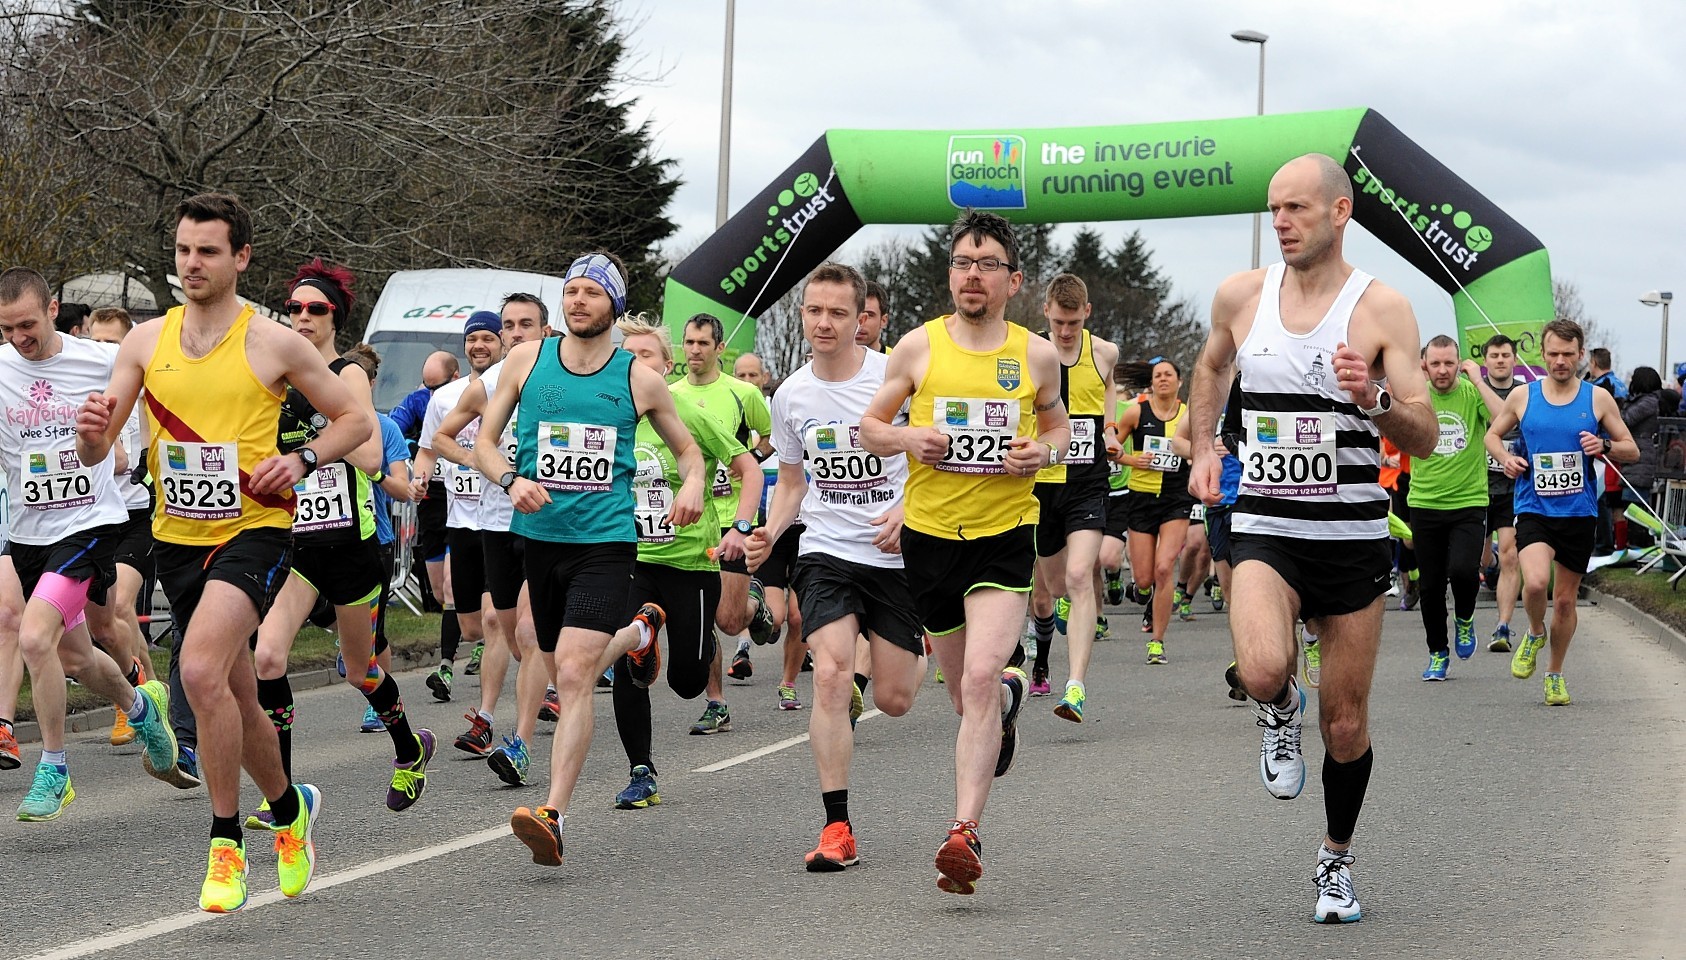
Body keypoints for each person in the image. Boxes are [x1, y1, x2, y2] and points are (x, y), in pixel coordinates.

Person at [76, 192, 363, 912]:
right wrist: (88, 433)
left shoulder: (274, 341)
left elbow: (356, 419)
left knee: (199, 670)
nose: (192, 263)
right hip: (177, 537)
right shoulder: (146, 341)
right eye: (182, 250)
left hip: (256, 531)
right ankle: (292, 814)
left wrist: (301, 462)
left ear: (240, 257)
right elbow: (101, 450)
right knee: (232, 690)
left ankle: (226, 841)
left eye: (207, 251)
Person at [1187, 155, 1436, 924]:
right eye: (1274, 209)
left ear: (1340, 211)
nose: (1282, 222)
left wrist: (1375, 397)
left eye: (1296, 207)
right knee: (1261, 669)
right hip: (1266, 525)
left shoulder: (1383, 309)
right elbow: (1209, 367)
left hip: (1353, 539)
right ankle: (1275, 703)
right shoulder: (1242, 295)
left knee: (1347, 724)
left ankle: (1334, 863)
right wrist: (1203, 446)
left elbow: (1424, 435)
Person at [859, 208, 1068, 895]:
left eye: (986, 266)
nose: (972, 276)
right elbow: (869, 427)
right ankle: (1005, 700)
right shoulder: (917, 348)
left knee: (978, 679)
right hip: (928, 541)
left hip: (1003, 538)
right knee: (962, 696)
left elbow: (1058, 426)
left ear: (1013, 280)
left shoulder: (1036, 354)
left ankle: (963, 832)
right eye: (961, 264)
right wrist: (906, 440)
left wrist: (1044, 451)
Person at [474, 252, 702, 867]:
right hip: (540, 540)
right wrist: (507, 480)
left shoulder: (638, 377)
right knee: (549, 661)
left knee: (573, 674)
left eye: (591, 294)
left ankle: (552, 813)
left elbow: (689, 453)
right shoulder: (525, 360)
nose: (578, 301)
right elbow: (484, 444)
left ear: (614, 307)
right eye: (571, 292)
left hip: (605, 544)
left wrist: (691, 486)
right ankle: (640, 631)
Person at [748, 261, 924, 871]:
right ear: (802, 315)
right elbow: (792, 482)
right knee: (830, 675)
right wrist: (770, 531)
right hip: (826, 550)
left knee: (898, 698)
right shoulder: (791, 394)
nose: (824, 323)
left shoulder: (894, 377)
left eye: (838, 313)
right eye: (814, 311)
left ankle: (915, 643)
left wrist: (907, 507)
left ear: (860, 320)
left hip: (895, 554)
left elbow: (934, 453)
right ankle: (836, 828)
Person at [250, 259, 432, 821]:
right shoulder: (278, 382)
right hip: (300, 545)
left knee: (360, 670)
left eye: (316, 309)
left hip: (354, 543)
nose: (302, 318)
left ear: (336, 318)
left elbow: (373, 456)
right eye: (295, 308)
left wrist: (321, 437)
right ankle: (281, 795)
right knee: (268, 657)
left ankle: (410, 748)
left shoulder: (346, 375)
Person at [0, 267, 179, 822]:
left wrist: (145, 455)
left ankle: (54, 769)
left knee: (34, 638)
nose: (19, 339)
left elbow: (166, 390)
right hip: (27, 532)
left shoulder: (100, 360)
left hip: (89, 525)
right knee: (75, 657)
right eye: (7, 329)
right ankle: (139, 705)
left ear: (53, 309)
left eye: (27, 325)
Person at [610, 316, 759, 807]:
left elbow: (749, 471)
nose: (635, 365)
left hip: (689, 564)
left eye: (646, 356)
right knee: (628, 663)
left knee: (688, 681)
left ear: (666, 366)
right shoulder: (609, 419)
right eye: (627, 356)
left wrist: (740, 527)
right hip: (629, 560)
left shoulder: (686, 416)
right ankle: (641, 770)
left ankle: (653, 635)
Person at [430, 295, 554, 785]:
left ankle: (507, 734)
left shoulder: (560, 379)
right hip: (495, 522)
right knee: (498, 629)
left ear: (546, 330)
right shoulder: (487, 386)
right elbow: (443, 438)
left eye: (527, 324)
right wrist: (481, 462)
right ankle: (557, 676)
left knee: (523, 630)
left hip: (547, 524)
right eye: (509, 325)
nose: (516, 332)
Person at [1486, 319, 1637, 705]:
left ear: (1581, 355)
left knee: (1566, 601)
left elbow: (1630, 449)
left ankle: (1554, 672)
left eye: (1568, 354)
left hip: (1579, 511)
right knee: (1536, 583)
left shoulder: (1597, 399)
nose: (1560, 361)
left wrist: (1603, 445)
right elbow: (1492, 435)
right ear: (1542, 354)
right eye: (1553, 353)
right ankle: (1535, 630)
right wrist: (1505, 458)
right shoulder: (1523, 395)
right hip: (1534, 506)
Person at [671, 312, 774, 734]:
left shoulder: (742, 394)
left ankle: (754, 600)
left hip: (733, 519)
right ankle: (717, 702)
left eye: (702, 343)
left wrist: (752, 462)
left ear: (718, 349)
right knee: (704, 618)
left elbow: (768, 441)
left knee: (731, 621)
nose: (694, 350)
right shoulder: (668, 395)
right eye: (689, 343)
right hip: (693, 526)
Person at [1023, 273, 1119, 717]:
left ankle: (1075, 685)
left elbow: (1109, 386)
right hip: (1041, 488)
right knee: (1057, 583)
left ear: (1087, 314)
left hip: (1087, 484)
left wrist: (1111, 428)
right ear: (1046, 312)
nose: (1065, 332)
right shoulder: (1027, 353)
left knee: (1082, 577)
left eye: (1073, 324)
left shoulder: (1104, 353)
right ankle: (1061, 602)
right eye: (1058, 322)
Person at [412, 315, 502, 755]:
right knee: (471, 627)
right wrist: (421, 478)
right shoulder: (445, 397)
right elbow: (429, 449)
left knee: (493, 618)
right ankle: (501, 653)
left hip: (501, 521)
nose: (479, 345)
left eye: (488, 337)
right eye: (473, 339)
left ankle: (495, 714)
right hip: (461, 520)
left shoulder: (514, 390)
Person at [83, 307, 160, 749]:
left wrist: (138, 461)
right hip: (98, 518)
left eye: (113, 342)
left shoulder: (143, 391)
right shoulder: (86, 393)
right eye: (97, 341)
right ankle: (146, 693)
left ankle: (127, 704)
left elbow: (140, 452)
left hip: (138, 513)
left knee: (121, 606)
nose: (105, 351)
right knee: (113, 620)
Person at [1407, 336, 1503, 680]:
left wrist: (1478, 379)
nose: (1443, 370)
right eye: (1436, 364)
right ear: (1424, 365)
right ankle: (1437, 652)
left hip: (1468, 501)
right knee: (1431, 586)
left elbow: (1503, 419)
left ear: (1459, 362)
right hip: (1425, 502)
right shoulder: (1417, 395)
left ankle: (1465, 617)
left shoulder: (1471, 391)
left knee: (1464, 570)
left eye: (1449, 363)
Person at [339, 343, 418, 732]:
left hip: (376, 539)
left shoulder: (385, 429)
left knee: (377, 629)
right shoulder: (314, 418)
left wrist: (371, 471)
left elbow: (403, 488)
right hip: (320, 536)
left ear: (370, 384)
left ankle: (378, 704)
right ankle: (346, 641)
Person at [1114, 358, 1195, 665]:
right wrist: (1134, 461)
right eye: (1157, 375)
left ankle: (1157, 641)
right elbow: (1113, 449)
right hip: (1141, 497)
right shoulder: (1136, 412)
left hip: (1175, 498)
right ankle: (1141, 590)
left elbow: (1199, 447)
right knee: (1146, 579)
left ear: (1179, 382)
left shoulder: (1189, 414)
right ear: (1151, 382)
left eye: (1168, 375)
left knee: (1164, 569)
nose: (1162, 379)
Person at [390, 350, 464, 686]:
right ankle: (478, 629)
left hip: (463, 496)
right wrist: (410, 451)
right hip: (431, 496)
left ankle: (446, 667)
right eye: (426, 385)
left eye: (438, 387)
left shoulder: (470, 396)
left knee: (452, 585)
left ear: (455, 375)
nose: (431, 394)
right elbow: (395, 427)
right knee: (436, 590)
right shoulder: (421, 400)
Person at [1480, 335, 1525, 652]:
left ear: (1514, 360)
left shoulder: (1525, 394)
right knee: (1480, 560)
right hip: (1477, 486)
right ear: (1485, 361)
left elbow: (1508, 426)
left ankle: (1503, 626)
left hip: (1512, 486)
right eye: (1494, 355)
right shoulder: (1472, 390)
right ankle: (1489, 561)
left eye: (1505, 355)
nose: (1500, 360)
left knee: (1511, 554)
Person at [1620, 365, 1665, 547]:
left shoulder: (1648, 402)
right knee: (1632, 502)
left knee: (1636, 503)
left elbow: (1626, 419)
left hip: (1641, 457)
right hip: (1639, 456)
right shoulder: (1646, 401)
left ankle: (1639, 545)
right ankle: (1635, 543)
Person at [857, 280, 890, 354]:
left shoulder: (897, 361)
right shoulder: (828, 362)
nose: (860, 322)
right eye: (855, 314)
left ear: (883, 321)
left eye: (869, 315)